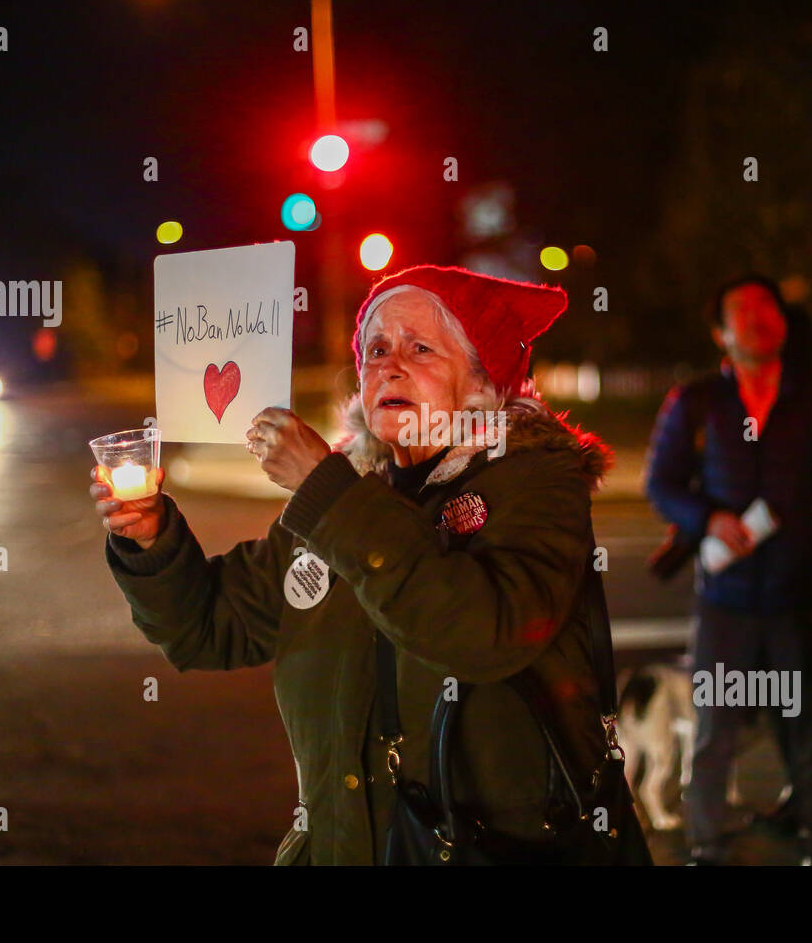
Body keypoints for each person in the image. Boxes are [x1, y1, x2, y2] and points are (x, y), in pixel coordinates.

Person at [92, 266, 621, 865]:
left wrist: (329, 493)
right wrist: (152, 539)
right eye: (376, 349)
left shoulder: (535, 483)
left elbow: (482, 634)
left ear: (482, 382)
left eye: (420, 348)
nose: (390, 365)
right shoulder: (349, 492)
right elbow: (209, 628)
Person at [646, 274, 812, 864]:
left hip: (799, 589)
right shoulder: (697, 400)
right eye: (742, 310)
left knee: (807, 725)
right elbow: (660, 483)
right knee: (715, 726)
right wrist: (708, 518)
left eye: (768, 307)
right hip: (725, 594)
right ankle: (705, 842)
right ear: (721, 332)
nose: (758, 317)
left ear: (783, 322)